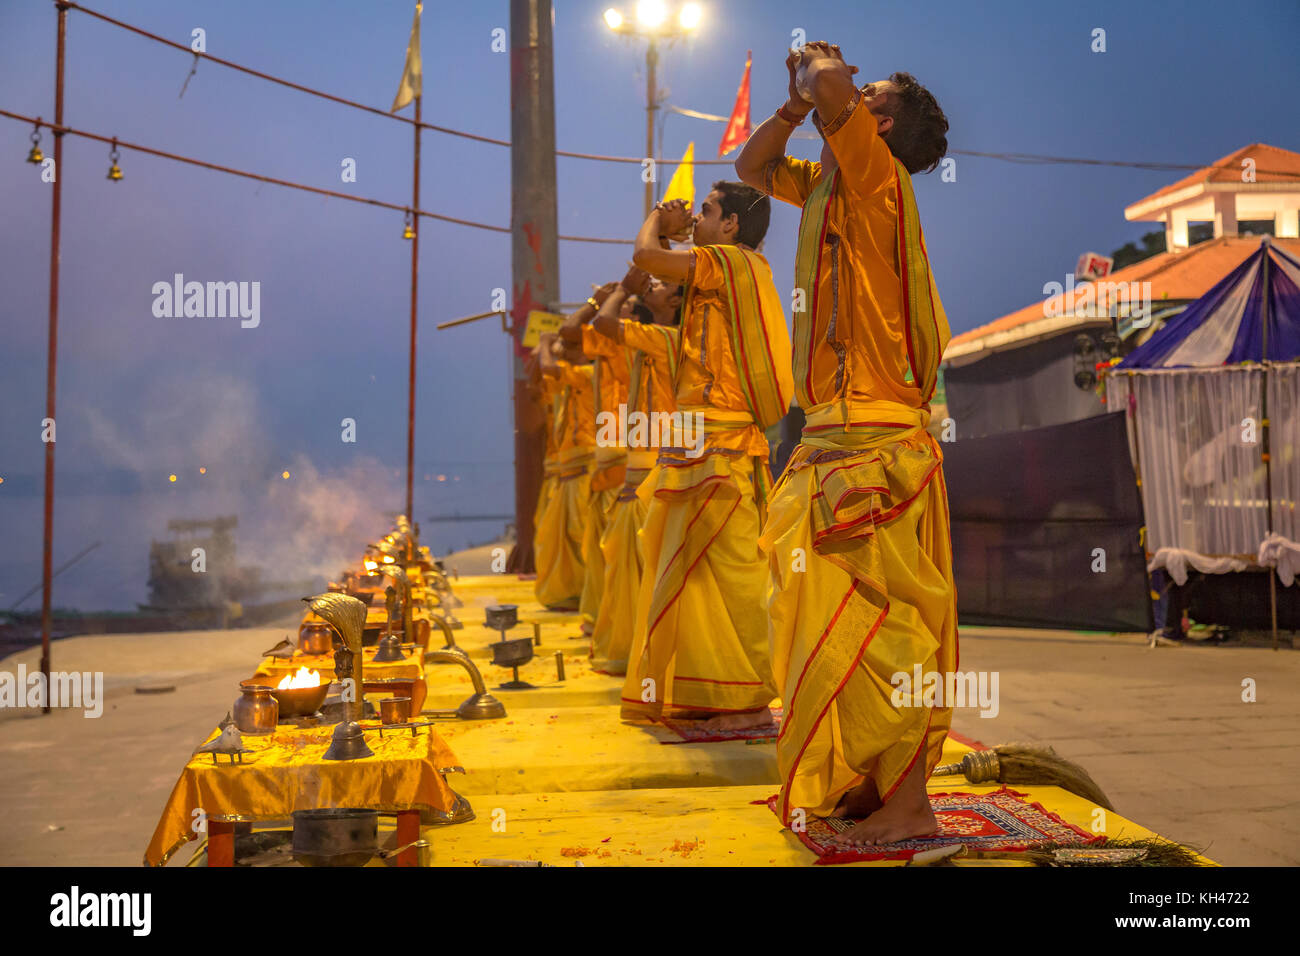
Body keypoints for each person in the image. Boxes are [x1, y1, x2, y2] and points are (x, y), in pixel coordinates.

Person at [736, 42, 956, 844]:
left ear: (879, 122)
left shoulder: (874, 176)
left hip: (871, 437)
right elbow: (753, 165)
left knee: (880, 625)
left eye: (871, 94)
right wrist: (795, 105)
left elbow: (833, 87)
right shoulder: (831, 180)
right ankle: (872, 779)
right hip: (835, 434)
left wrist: (822, 65)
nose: (854, 92)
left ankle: (911, 804)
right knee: (829, 612)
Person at [592, 183, 794, 730]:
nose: (697, 218)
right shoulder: (718, 278)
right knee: (693, 577)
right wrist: (668, 233)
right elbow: (602, 321)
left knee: (730, 576)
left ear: (730, 225)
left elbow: (643, 256)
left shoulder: (732, 262)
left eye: (706, 210)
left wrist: (658, 217)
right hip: (696, 446)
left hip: (718, 446)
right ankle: (709, 696)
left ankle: (746, 698)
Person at [576, 270, 682, 673]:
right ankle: (636, 652)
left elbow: (600, 323)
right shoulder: (651, 343)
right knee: (627, 569)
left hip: (654, 473)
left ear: (674, 303)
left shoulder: (667, 340)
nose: (651, 286)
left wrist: (621, 289)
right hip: (639, 472)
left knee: (647, 573)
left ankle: (650, 658)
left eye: (662, 285)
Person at [533, 332, 597, 610]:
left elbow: (547, 366)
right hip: (569, 471)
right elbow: (538, 381)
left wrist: (546, 342)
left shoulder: (587, 373)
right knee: (559, 538)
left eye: (572, 348)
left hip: (586, 469)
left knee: (583, 536)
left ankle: (592, 598)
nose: (565, 353)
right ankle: (574, 594)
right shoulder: (569, 378)